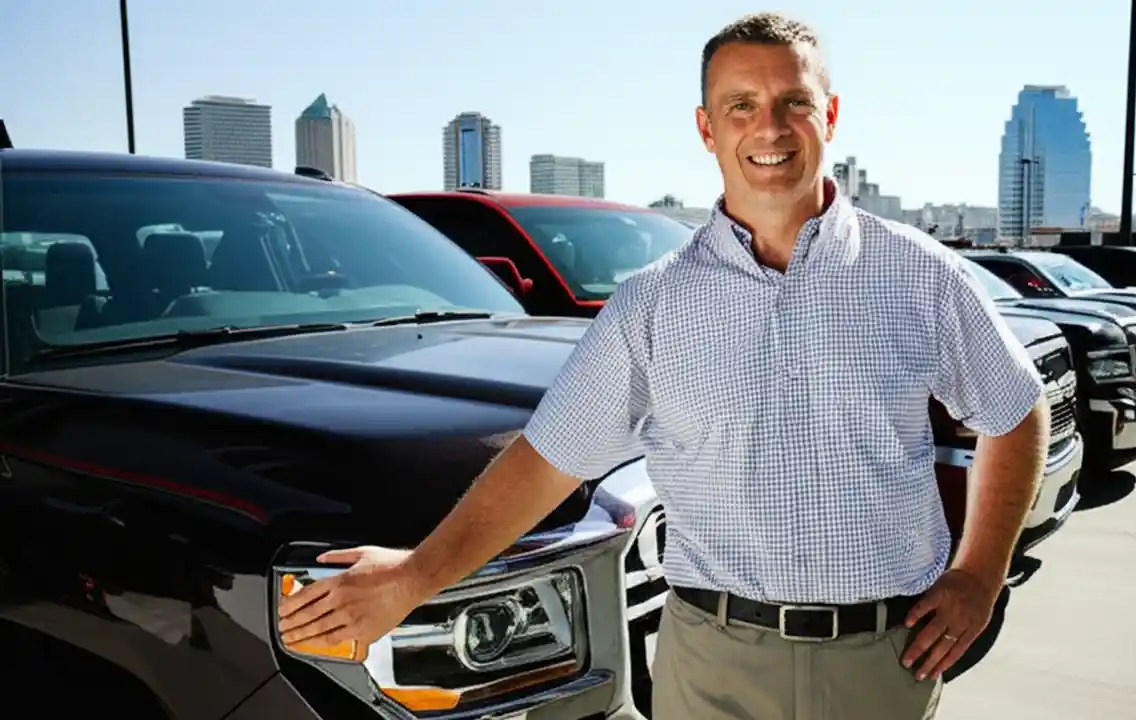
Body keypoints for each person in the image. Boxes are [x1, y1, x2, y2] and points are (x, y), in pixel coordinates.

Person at [277, 11, 1048, 719]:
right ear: (707, 128)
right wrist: (415, 576)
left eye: (794, 102)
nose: (769, 127)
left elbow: (1017, 411)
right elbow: (546, 461)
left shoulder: (919, 275)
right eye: (741, 105)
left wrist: (980, 575)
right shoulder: (653, 303)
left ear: (831, 114)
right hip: (712, 668)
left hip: (883, 664)